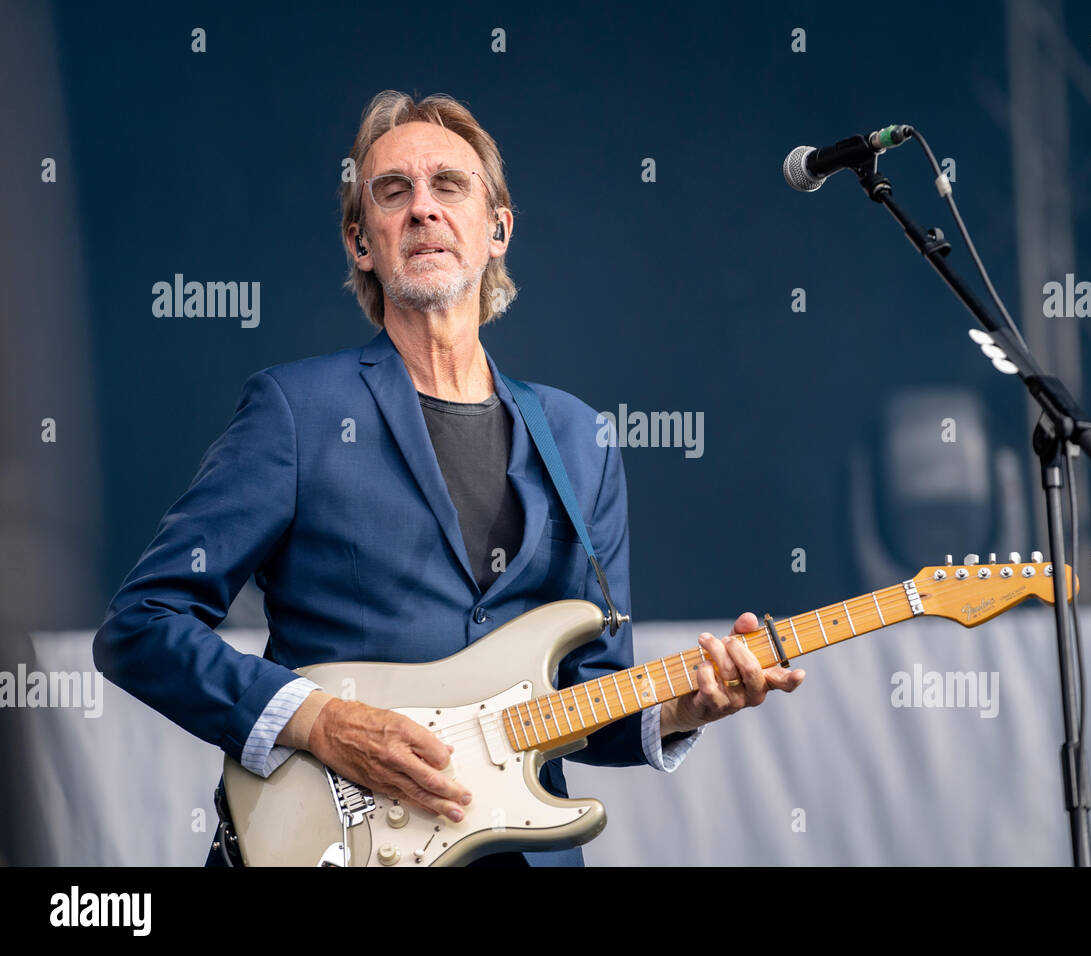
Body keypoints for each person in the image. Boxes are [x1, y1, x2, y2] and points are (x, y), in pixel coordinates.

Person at [93, 90, 804, 867]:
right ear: (362, 241)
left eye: (450, 187)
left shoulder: (580, 438)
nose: (423, 209)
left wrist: (682, 707)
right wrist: (322, 722)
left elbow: (590, 696)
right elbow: (141, 626)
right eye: (392, 192)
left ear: (498, 228)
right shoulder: (296, 409)